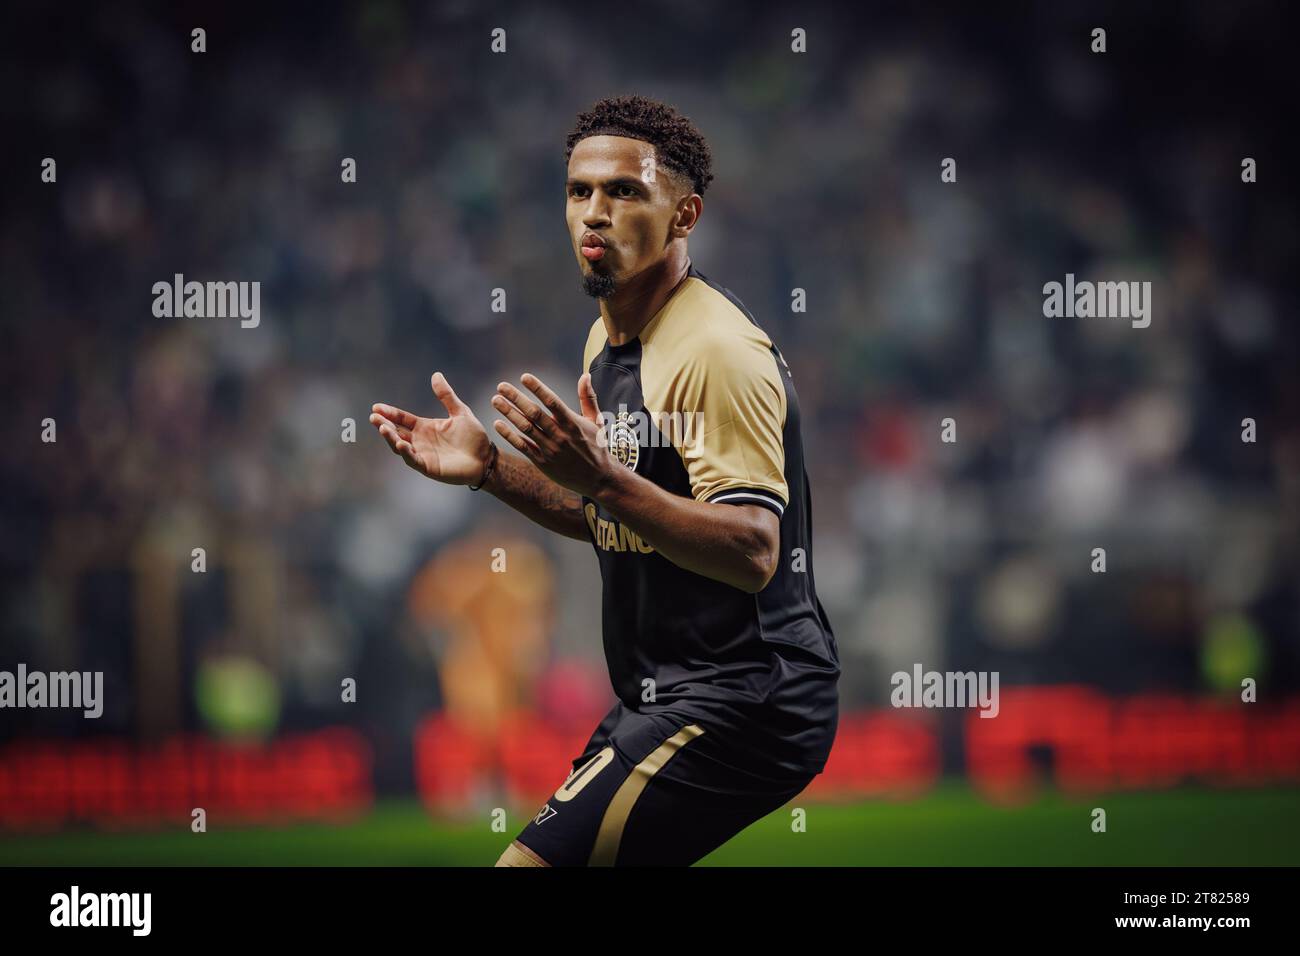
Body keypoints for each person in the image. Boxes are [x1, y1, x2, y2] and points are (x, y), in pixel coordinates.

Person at [371, 95, 839, 866]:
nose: (594, 213)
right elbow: (615, 519)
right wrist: (492, 471)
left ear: (684, 216)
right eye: (578, 191)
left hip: (747, 698)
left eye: (624, 192)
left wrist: (606, 480)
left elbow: (756, 549)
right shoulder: (608, 341)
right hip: (663, 693)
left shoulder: (714, 350)